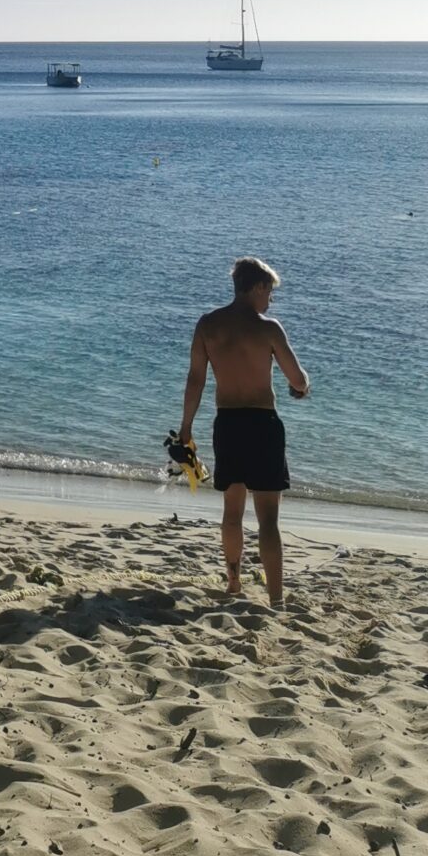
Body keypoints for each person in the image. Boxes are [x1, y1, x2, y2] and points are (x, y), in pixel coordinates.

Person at [176, 255, 310, 608]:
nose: (272, 300)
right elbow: (297, 378)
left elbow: (196, 380)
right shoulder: (268, 328)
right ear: (258, 287)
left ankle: (234, 581)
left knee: (232, 511)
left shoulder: (207, 325)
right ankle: (276, 599)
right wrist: (302, 386)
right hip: (262, 424)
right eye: (270, 292)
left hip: (228, 424)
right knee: (268, 518)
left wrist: (186, 427)